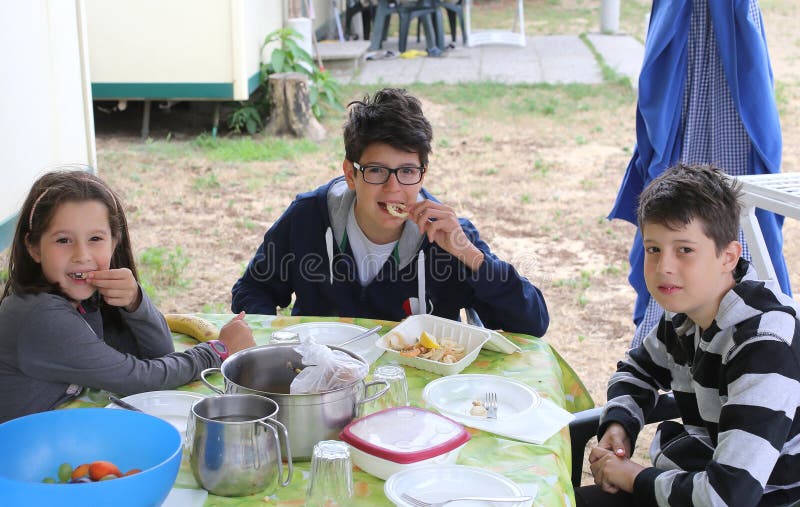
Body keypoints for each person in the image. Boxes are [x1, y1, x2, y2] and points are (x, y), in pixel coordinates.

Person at [231, 88, 549, 336]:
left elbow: (532, 322)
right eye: (377, 171)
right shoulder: (308, 217)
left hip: (422, 394)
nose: (393, 187)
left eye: (407, 171)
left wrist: (471, 255)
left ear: (422, 173)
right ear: (351, 174)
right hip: (322, 383)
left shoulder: (448, 236)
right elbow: (253, 288)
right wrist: (269, 340)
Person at [576, 164, 800, 506]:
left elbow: (729, 496)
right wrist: (619, 426)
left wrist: (633, 476)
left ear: (728, 256)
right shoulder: (686, 315)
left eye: (685, 250)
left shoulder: (764, 347)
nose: (665, 266)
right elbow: (637, 370)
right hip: (699, 478)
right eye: (653, 249)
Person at [0, 169, 256, 423]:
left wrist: (135, 302)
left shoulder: (83, 300)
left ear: (114, 242)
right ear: (33, 248)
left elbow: (159, 355)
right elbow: (138, 379)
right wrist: (218, 350)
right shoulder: (41, 316)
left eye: (95, 238)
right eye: (64, 240)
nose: (82, 255)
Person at [609, 0, 791, 347]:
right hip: (685, 35)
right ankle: (674, 333)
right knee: (675, 214)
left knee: (735, 217)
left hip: (728, 39)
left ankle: (737, 330)